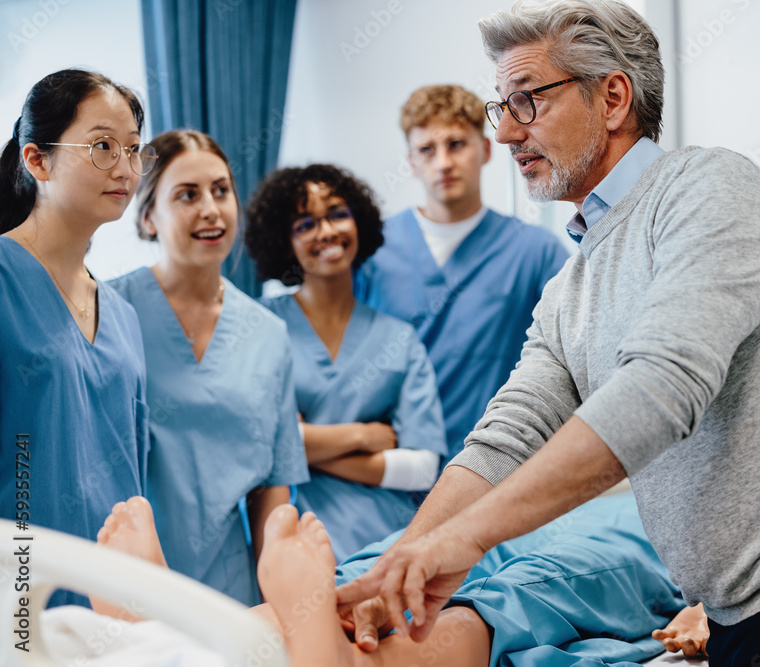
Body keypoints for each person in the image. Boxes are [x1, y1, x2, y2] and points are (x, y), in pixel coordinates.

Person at [337, 2, 760, 666]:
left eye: (526, 102)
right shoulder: (573, 284)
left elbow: (658, 390)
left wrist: (467, 539)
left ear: (614, 97)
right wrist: (400, 565)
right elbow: (509, 430)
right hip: (743, 611)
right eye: (498, 108)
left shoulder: (711, 189)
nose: (505, 134)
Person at [95, 491, 687, 666]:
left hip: (656, 523)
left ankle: (350, 662)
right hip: (553, 501)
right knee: (401, 564)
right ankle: (171, 636)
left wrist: (714, 605)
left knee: (551, 581)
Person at [107, 130, 309, 606]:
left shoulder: (266, 334)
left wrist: (275, 608)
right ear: (149, 216)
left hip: (228, 589)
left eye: (221, 190)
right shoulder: (107, 311)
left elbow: (271, 489)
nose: (211, 209)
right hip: (120, 580)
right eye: (187, 195)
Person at [0, 69, 153, 608]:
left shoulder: (123, 318)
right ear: (36, 159)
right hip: (19, 598)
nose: (127, 169)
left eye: (135, 150)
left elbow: (134, 475)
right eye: (103, 147)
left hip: (115, 604)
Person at [354, 85, 569, 464]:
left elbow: (571, 361)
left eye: (456, 145)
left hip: (499, 467)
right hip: (391, 472)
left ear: (485, 150)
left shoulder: (535, 253)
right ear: (410, 162)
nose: (443, 163)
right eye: (427, 150)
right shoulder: (369, 253)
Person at [245, 164, 448, 560]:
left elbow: (422, 468)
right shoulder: (258, 326)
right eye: (305, 224)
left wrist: (303, 448)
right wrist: (360, 436)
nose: (326, 232)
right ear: (284, 241)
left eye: (337, 214)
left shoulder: (397, 340)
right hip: (292, 542)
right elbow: (254, 445)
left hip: (386, 545)